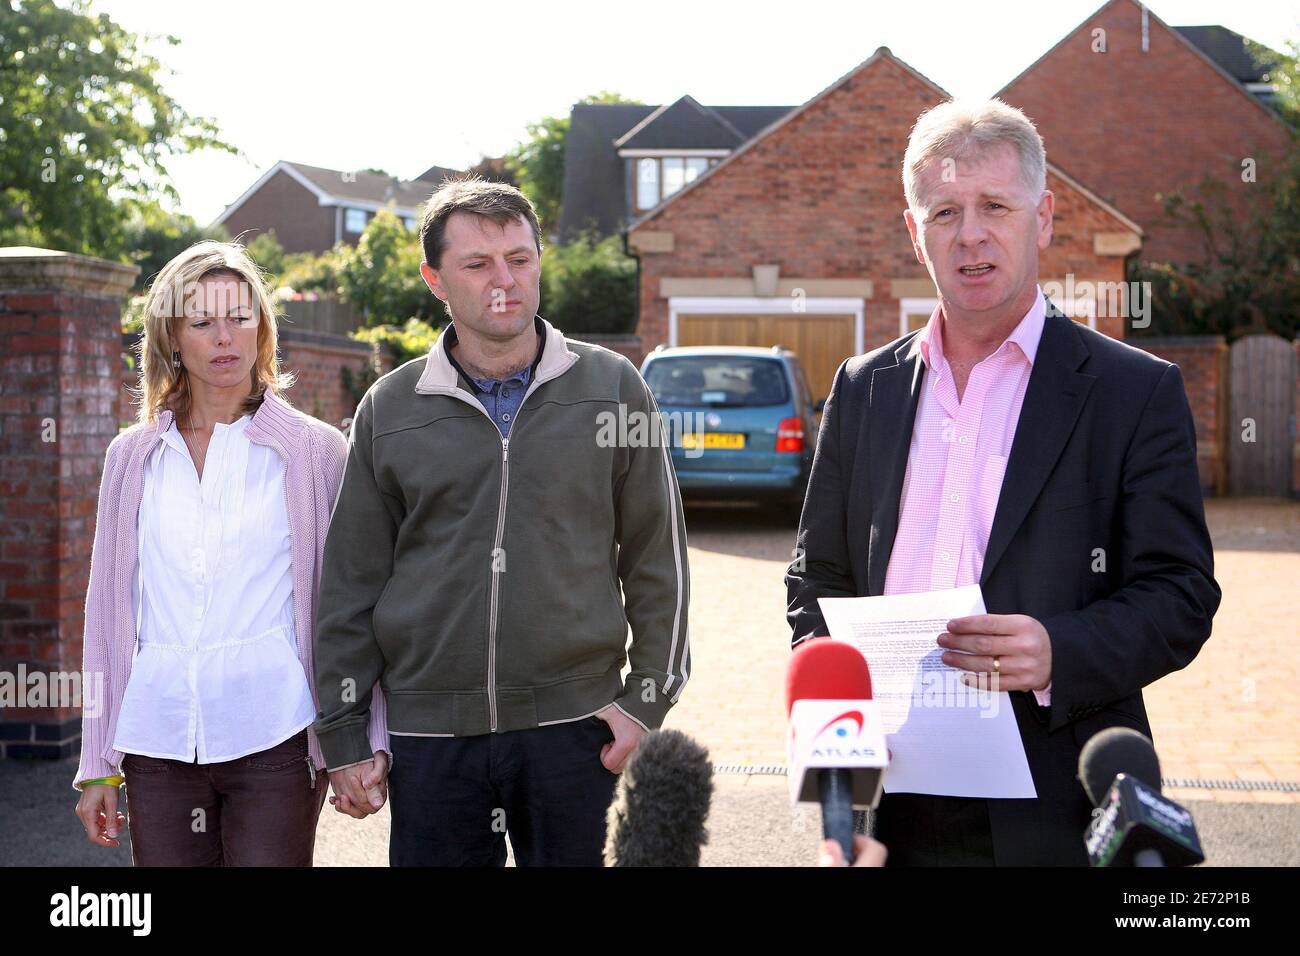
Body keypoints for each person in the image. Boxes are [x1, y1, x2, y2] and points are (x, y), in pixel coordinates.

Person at [785, 99, 1220, 866]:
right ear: (915, 233)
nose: (971, 233)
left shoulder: (1132, 391)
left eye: (995, 205)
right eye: (945, 210)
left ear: (1043, 217)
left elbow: (1181, 593)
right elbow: (816, 578)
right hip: (888, 797)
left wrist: (1061, 647)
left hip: (1055, 798)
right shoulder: (863, 387)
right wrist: (836, 767)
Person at [314, 178, 690, 866]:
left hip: (577, 729)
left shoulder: (614, 388)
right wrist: (341, 733)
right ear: (435, 279)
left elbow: (656, 557)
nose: (504, 281)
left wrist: (646, 701)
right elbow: (350, 582)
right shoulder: (390, 407)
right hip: (431, 736)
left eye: (519, 258)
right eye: (478, 264)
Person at [72, 241, 389, 866]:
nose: (224, 336)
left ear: (262, 329)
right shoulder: (130, 458)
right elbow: (106, 618)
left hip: (276, 733)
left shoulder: (314, 452)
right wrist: (96, 764)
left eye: (240, 317)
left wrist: (364, 736)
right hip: (157, 739)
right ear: (171, 337)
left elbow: (354, 605)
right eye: (202, 321)